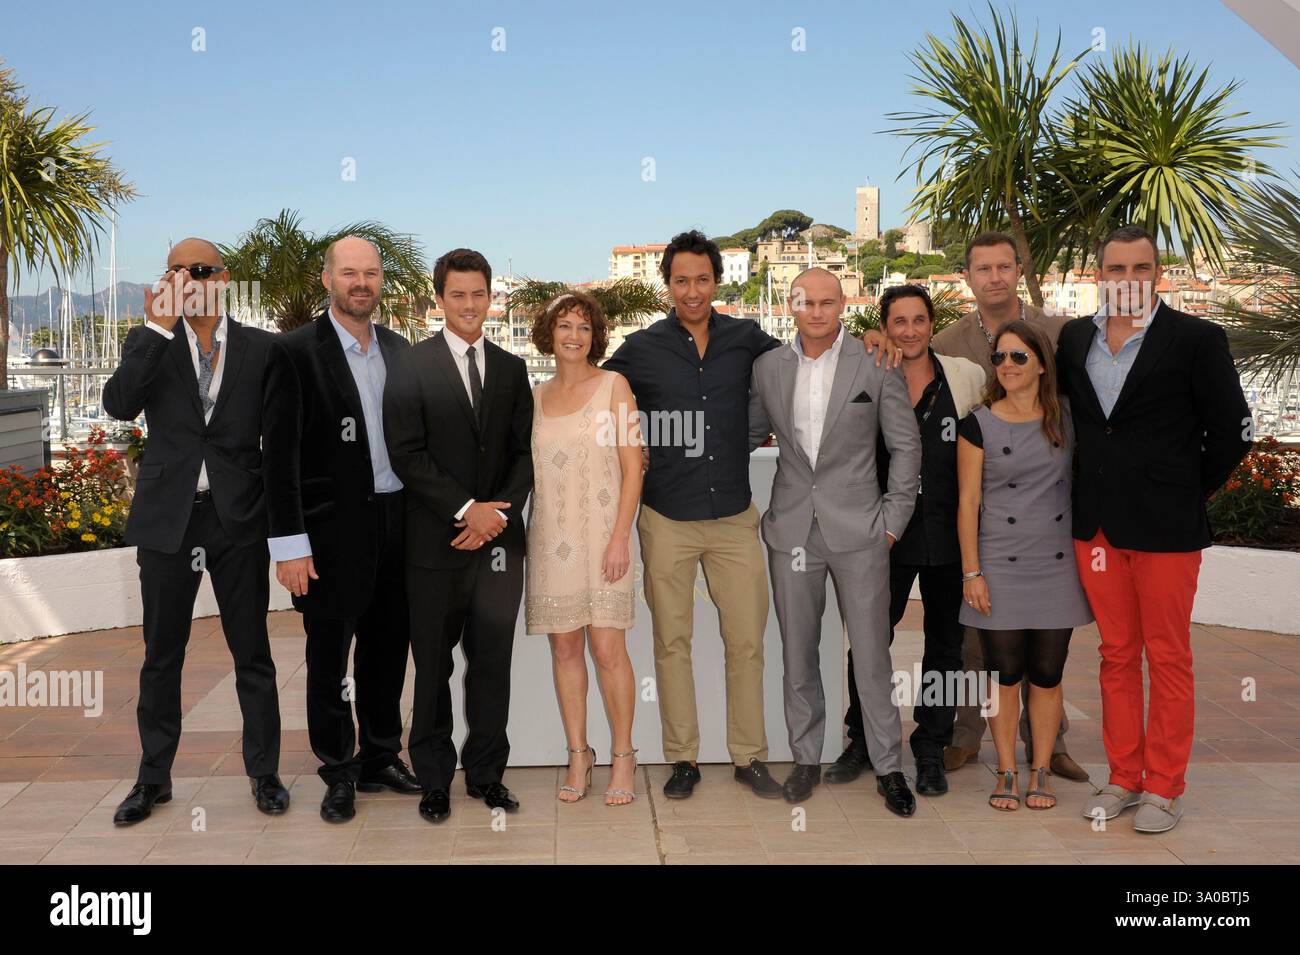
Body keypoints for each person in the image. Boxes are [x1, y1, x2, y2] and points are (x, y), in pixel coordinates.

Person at [865, 231, 1088, 782]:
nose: (994, 277)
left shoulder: (1058, 332)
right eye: (982, 268)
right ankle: (959, 736)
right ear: (967, 276)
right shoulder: (948, 341)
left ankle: (1048, 744)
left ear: (1018, 270)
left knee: (1039, 645)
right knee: (966, 640)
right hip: (963, 514)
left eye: (1003, 266)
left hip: (1035, 511)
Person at [1062, 225, 1250, 833]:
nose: (1127, 280)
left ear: (1157, 273)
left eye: (1139, 268)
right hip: (1095, 529)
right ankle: (1124, 777)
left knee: (1167, 656)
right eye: (1115, 269)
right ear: (1099, 275)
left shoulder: (1197, 339)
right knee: (1116, 654)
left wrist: (1184, 490)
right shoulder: (1072, 340)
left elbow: (1231, 432)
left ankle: (1164, 788)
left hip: (1167, 528)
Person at [102, 237, 287, 825]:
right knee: (162, 657)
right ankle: (153, 778)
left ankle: (265, 774)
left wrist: (286, 533)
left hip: (238, 519)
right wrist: (157, 330)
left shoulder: (262, 350)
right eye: (175, 270)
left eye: (199, 269)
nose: (188, 278)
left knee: (251, 651)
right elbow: (119, 406)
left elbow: (280, 445)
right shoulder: (147, 342)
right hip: (169, 519)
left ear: (223, 278)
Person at [747, 268, 922, 815]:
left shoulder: (877, 361)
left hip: (861, 532)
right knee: (798, 652)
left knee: (871, 656)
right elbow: (750, 434)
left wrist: (891, 522)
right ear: (791, 305)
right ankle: (805, 759)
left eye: (827, 302)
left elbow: (906, 447)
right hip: (792, 529)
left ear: (844, 304)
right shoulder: (767, 367)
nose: (817, 311)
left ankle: (889, 767)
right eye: (806, 302)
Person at [263, 236, 420, 824]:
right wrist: (290, 546)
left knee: (387, 651)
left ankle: (381, 755)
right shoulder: (295, 353)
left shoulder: (401, 352)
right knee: (330, 658)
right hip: (328, 537)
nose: (361, 283)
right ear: (327, 279)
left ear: (382, 282)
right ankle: (338, 767)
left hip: (397, 524)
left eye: (371, 274)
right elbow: (278, 460)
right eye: (349, 273)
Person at [383, 248, 534, 824]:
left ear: (490, 298)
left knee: (492, 664)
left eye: (479, 294)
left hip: (498, 546)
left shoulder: (513, 369)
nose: (469, 305)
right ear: (439, 299)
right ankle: (435, 780)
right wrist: (466, 510)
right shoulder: (412, 365)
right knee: (433, 668)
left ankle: (488, 775)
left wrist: (493, 517)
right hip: (433, 547)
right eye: (458, 295)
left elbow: (525, 453)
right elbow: (406, 452)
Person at [824, 285, 985, 798]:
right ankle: (864, 739)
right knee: (871, 640)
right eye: (899, 322)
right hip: (883, 534)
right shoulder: (868, 371)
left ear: (931, 324)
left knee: (947, 647)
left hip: (949, 532)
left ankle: (931, 747)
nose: (910, 330)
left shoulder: (964, 377)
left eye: (919, 320)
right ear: (885, 326)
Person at [956, 321, 1093, 811]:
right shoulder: (978, 422)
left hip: (1056, 563)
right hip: (999, 562)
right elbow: (967, 503)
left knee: (1048, 673)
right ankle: (1007, 770)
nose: (1007, 366)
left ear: (1040, 362)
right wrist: (972, 573)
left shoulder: (1067, 418)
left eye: (1018, 357)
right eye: (1000, 358)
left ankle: (1041, 770)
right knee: (1004, 672)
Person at [524, 290, 644, 806]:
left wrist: (621, 537)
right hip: (551, 542)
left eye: (583, 327)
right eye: (564, 326)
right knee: (565, 648)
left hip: (605, 540)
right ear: (548, 334)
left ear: (595, 336)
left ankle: (623, 755)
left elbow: (634, 466)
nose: (574, 336)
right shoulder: (533, 396)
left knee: (608, 650)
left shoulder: (615, 386)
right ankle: (579, 753)